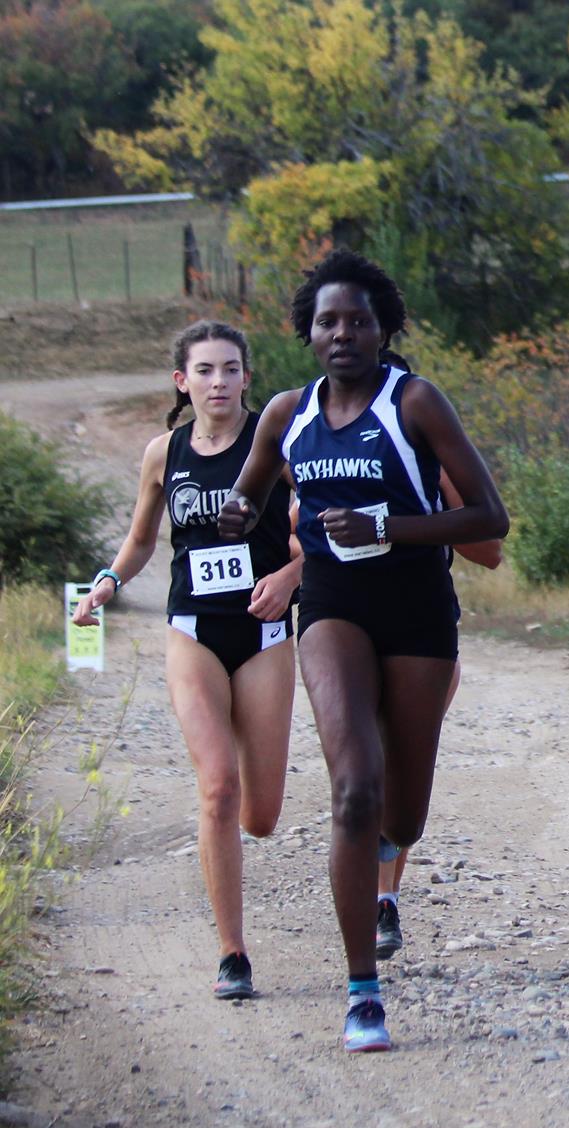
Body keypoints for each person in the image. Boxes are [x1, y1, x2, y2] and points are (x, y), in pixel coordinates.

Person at [218, 250, 508, 1052]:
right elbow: (251, 487)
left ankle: (386, 838)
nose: (342, 333)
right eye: (327, 321)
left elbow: (490, 517)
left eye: (357, 320)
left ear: (383, 329)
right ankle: (362, 991)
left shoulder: (413, 401)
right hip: (335, 609)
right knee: (353, 790)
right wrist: (241, 513)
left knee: (401, 815)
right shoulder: (286, 412)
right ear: (308, 333)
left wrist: (388, 527)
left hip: (417, 610)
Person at [72, 320, 301, 1001]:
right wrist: (107, 583)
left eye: (231, 369)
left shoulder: (279, 444)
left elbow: (316, 533)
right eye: (204, 370)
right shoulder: (162, 453)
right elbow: (142, 540)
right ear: (183, 381)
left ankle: (237, 838)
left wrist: (291, 579)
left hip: (264, 636)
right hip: (192, 633)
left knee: (260, 815)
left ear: (247, 378)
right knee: (217, 789)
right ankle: (232, 953)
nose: (219, 382)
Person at [372, 471, 504, 962]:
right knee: (363, 765)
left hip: (426, 630)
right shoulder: (333, 443)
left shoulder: (435, 463)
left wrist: (415, 526)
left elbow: (490, 551)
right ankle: (373, 902)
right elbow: (299, 527)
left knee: (402, 765)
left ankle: (386, 900)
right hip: (349, 622)